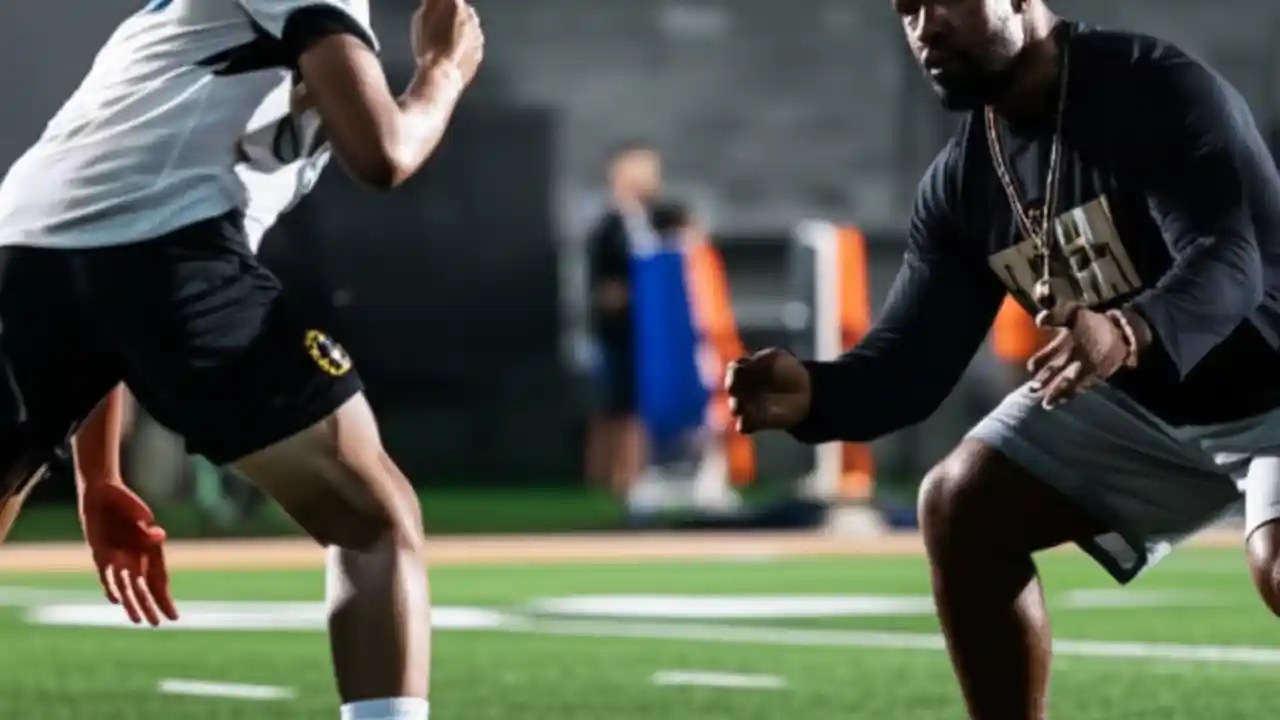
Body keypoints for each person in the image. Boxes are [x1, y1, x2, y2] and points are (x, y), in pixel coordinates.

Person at [726, 1, 1280, 717]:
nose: (924, 26)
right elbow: (910, 368)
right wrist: (815, 394)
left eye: (945, 0)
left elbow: (1230, 260)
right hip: (1148, 401)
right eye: (906, 9)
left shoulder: (1153, 86)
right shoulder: (964, 183)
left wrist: (1131, 329)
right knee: (962, 505)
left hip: (1268, 381)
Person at [0, 0, 484, 718]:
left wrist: (98, 476)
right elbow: (384, 155)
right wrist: (442, 70)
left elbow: (86, 227)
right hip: (169, 253)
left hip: (18, 258)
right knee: (374, 521)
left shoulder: (161, 29)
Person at [583, 142, 664, 503]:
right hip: (620, 333)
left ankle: (635, 474)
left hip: (646, 333)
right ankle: (617, 477)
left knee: (634, 405)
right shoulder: (609, 226)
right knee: (619, 405)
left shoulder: (650, 220)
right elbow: (606, 287)